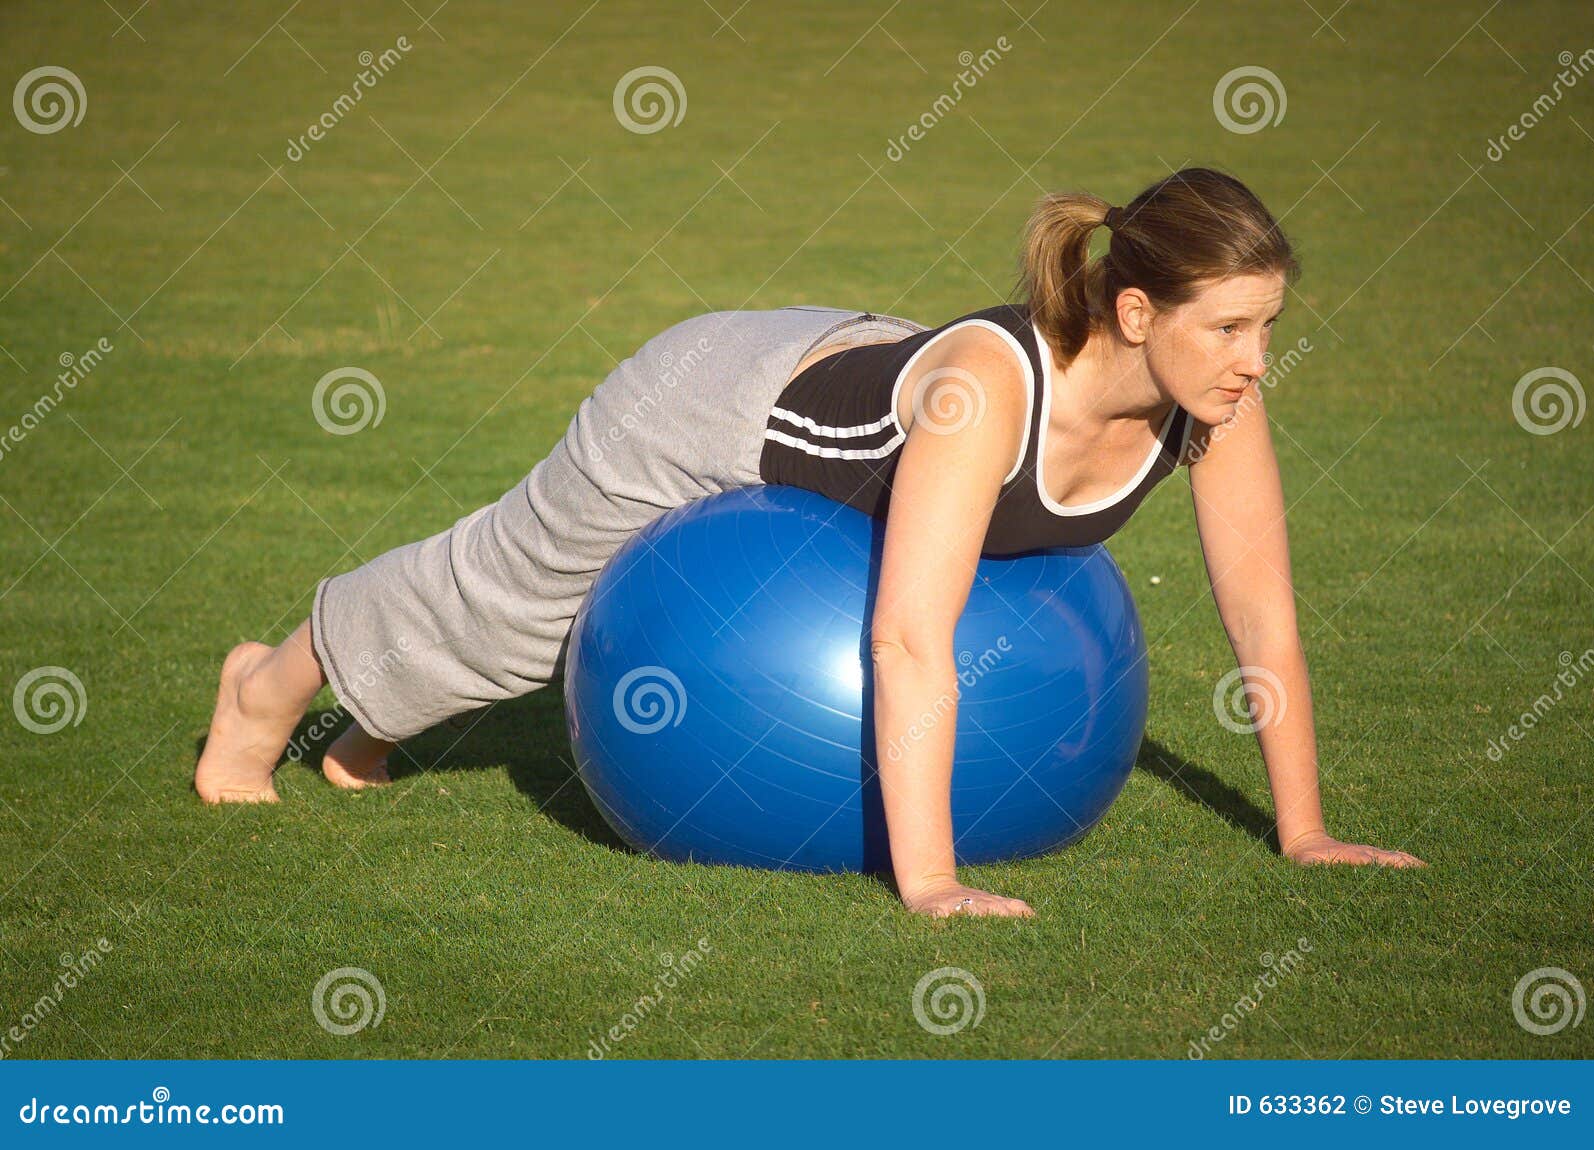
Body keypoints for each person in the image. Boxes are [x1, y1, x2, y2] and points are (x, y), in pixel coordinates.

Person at [194, 166, 1426, 917]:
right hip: (714, 400)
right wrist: (930, 879)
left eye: (1266, 328)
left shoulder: (1213, 404)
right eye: (1229, 329)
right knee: (513, 601)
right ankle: (263, 690)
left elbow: (1260, 614)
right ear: (1137, 308)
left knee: (507, 632)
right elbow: (902, 637)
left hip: (876, 374)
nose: (1256, 361)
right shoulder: (991, 398)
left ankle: (373, 728)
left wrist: (1304, 830)